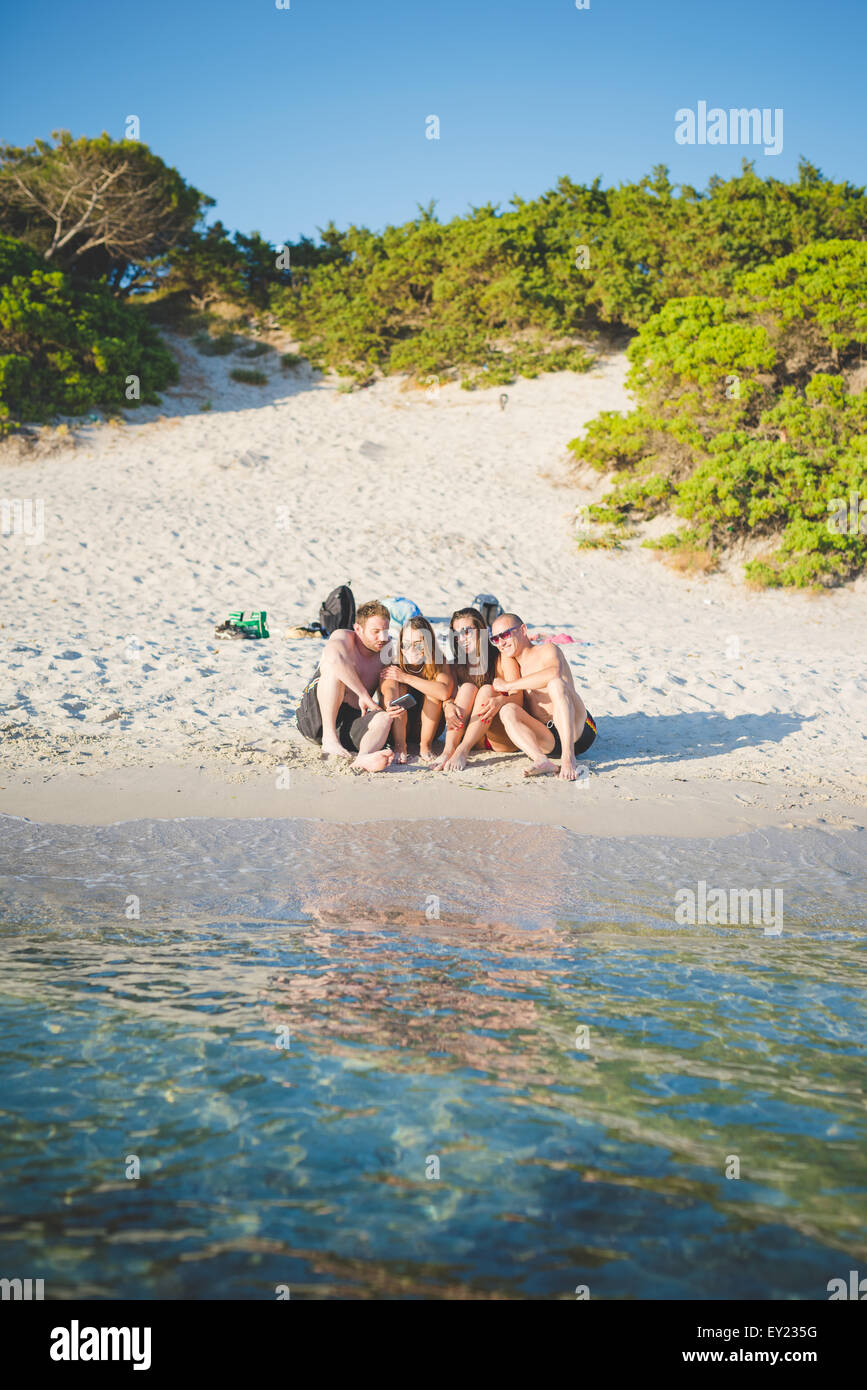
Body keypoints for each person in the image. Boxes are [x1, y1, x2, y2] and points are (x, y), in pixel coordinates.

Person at [295, 599, 403, 772]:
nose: (382, 637)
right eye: (376, 631)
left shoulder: (386, 647)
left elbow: (387, 683)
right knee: (333, 668)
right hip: (315, 720)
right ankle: (329, 738)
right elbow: (333, 658)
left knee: (384, 717)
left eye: (385, 631)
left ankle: (363, 757)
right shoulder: (343, 636)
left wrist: (389, 703)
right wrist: (363, 694)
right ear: (358, 629)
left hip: (349, 720)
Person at [489, 613, 596, 780]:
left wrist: (508, 685)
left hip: (579, 729)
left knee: (555, 683)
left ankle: (568, 756)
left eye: (505, 635)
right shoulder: (513, 665)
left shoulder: (547, 649)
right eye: (495, 639)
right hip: (548, 738)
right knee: (507, 710)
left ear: (523, 630)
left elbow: (553, 673)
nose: (501, 642)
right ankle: (541, 760)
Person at [432, 607, 523, 772]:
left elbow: (519, 699)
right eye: (457, 633)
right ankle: (448, 750)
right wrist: (448, 705)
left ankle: (462, 751)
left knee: (487, 691)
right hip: (473, 736)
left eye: (467, 632)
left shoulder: (501, 658)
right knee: (467, 688)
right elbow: (449, 696)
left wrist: (501, 700)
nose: (462, 639)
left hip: (500, 736)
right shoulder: (457, 664)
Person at [380, 616, 454, 762]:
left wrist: (406, 678)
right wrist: (389, 702)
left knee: (433, 691)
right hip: (400, 726)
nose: (411, 650)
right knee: (399, 691)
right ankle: (400, 746)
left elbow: (444, 691)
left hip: (430, 728)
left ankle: (425, 746)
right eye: (406, 645)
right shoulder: (395, 662)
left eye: (418, 645)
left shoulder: (438, 661)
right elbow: (387, 687)